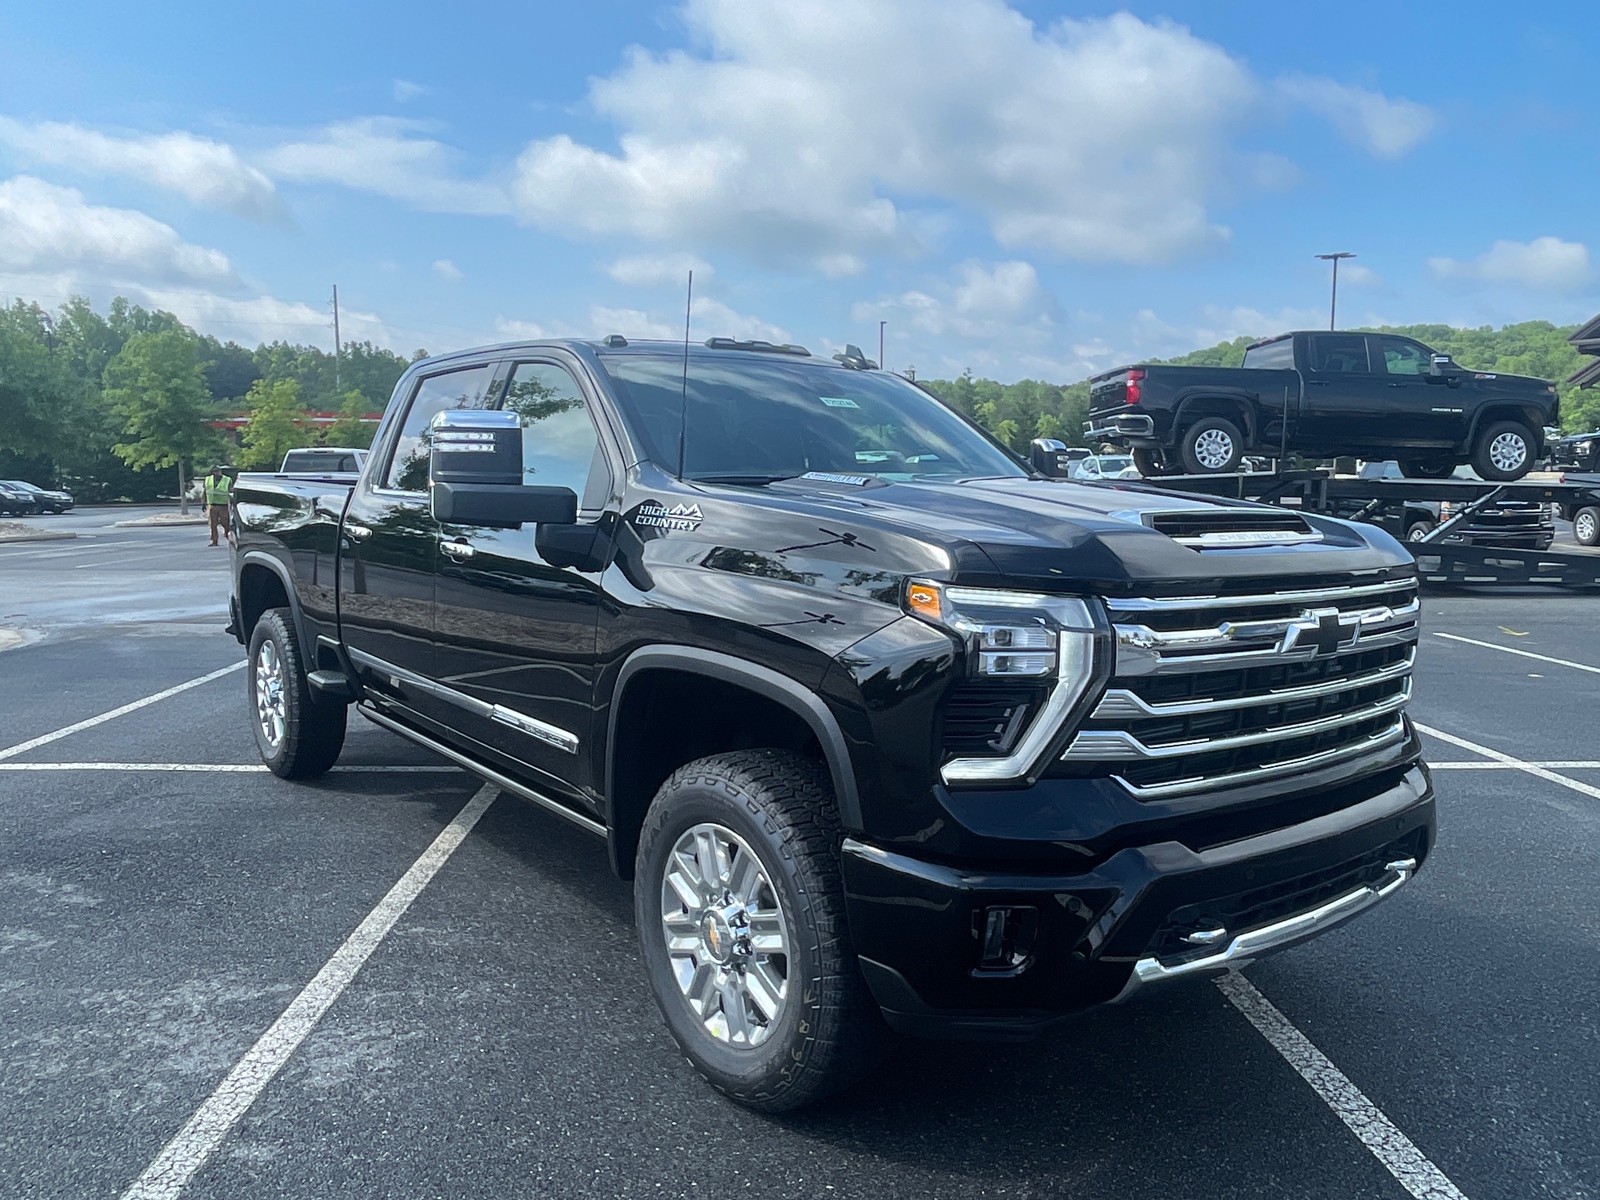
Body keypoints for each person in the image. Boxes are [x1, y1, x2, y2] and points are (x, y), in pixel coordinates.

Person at [203, 465, 233, 547]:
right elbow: (205, 491)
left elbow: (231, 491)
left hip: (223, 505)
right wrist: (203, 503)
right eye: (215, 471)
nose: (216, 473)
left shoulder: (227, 480)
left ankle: (228, 536)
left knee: (225, 523)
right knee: (213, 524)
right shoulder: (208, 480)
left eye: (218, 471)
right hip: (212, 505)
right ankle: (214, 541)